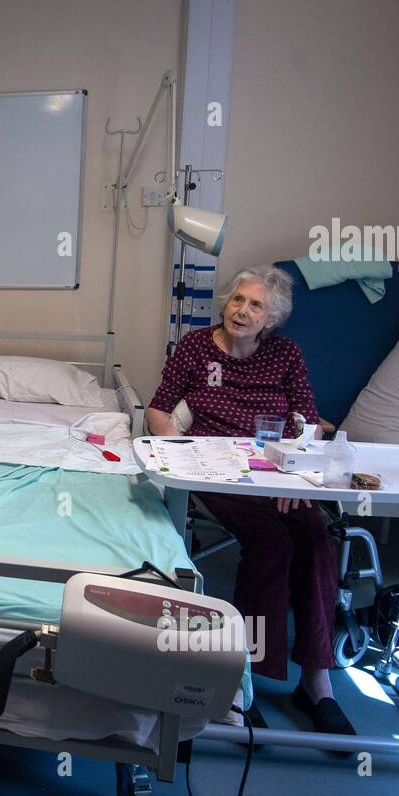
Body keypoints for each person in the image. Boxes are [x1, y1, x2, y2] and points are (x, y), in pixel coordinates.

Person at [145, 265, 354, 738]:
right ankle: (247, 679)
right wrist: (179, 454)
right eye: (238, 299)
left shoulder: (285, 355)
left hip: (276, 467)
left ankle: (318, 681)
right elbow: (159, 408)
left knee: (316, 538)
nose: (241, 310)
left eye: (255, 305)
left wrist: (293, 473)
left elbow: (308, 421)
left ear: (271, 318)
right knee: (270, 544)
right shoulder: (197, 347)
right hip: (216, 468)